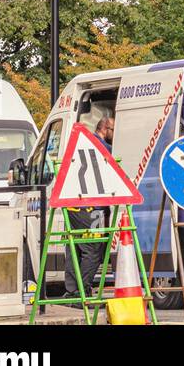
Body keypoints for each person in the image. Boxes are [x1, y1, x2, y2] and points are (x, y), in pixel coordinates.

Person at [63, 114, 116, 300]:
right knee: (93, 249)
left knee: (73, 249)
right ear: (105, 129)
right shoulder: (104, 148)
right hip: (93, 209)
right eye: (113, 130)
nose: (114, 133)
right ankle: (82, 291)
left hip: (73, 207)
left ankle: (71, 291)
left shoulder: (82, 144)